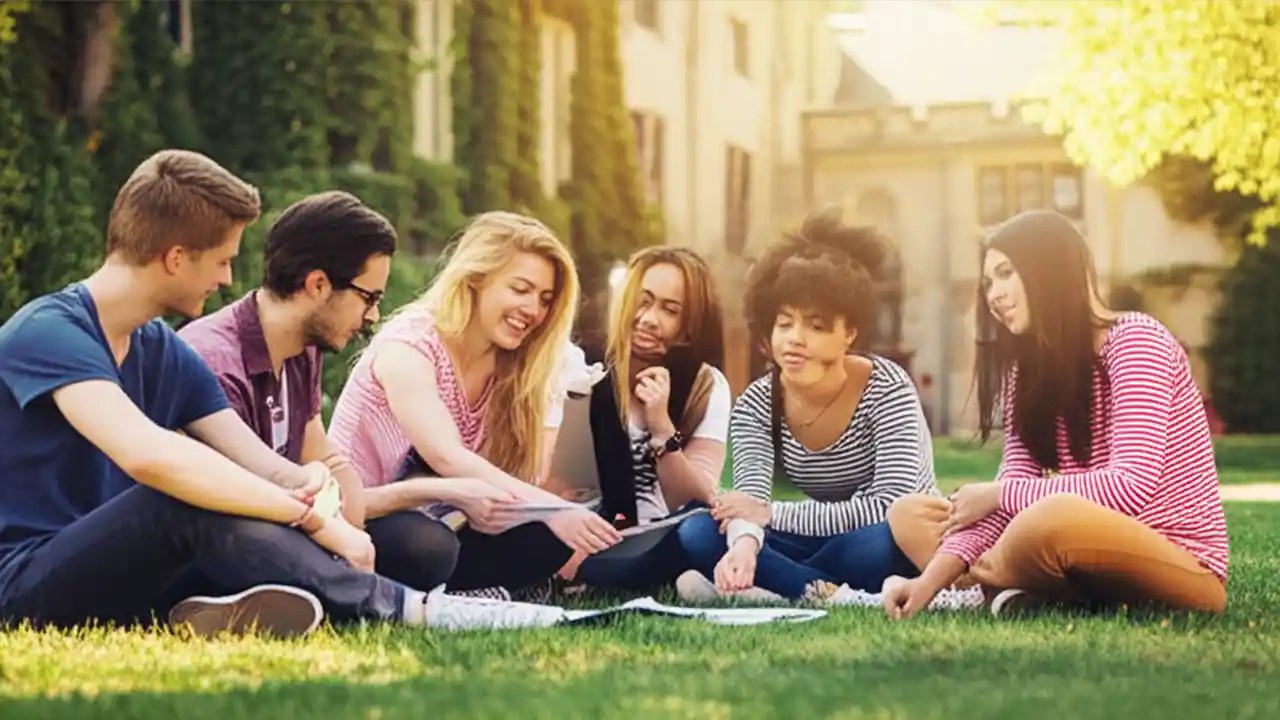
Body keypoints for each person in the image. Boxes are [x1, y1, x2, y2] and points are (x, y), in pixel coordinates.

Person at [0, 150, 481, 637]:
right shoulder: (49, 333)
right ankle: (408, 608)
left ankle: (221, 608)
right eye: (223, 260)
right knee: (178, 495)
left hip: (125, 575)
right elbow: (150, 458)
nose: (228, 278)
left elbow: (260, 464)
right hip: (27, 584)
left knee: (240, 506)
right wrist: (310, 519)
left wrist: (311, 485)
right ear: (175, 258)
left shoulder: (161, 348)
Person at [883, 209, 1229, 619]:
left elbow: (1129, 487)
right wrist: (926, 585)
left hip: (1180, 565)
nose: (994, 294)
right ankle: (1002, 590)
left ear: (1051, 270)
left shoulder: (1137, 341)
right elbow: (1010, 491)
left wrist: (998, 496)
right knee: (911, 514)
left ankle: (981, 587)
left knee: (1048, 519)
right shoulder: (1028, 376)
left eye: (1007, 273)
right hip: (1081, 557)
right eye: (988, 282)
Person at [328, 211, 622, 598]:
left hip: (447, 520)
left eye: (544, 299)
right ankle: (461, 591)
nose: (534, 310)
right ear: (476, 280)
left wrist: (557, 508)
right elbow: (447, 457)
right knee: (428, 547)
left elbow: (503, 480)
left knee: (548, 534)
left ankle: (461, 590)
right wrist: (552, 508)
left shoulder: (512, 365)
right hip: (365, 515)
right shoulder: (409, 346)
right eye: (521, 289)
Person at [178, 191, 460, 594]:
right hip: (238, 528)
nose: (373, 317)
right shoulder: (213, 359)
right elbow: (228, 498)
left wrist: (353, 535)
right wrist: (332, 537)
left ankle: (333, 586)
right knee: (261, 548)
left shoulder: (302, 349)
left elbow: (325, 456)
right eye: (369, 298)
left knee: (427, 546)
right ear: (317, 284)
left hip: (302, 520)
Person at [676, 207, 938, 600]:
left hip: (893, 534)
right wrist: (745, 545)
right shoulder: (755, 406)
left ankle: (773, 585)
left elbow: (889, 504)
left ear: (848, 332)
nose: (795, 339)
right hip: (818, 539)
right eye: (784, 324)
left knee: (877, 546)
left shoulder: (887, 387)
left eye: (815, 326)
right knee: (698, 531)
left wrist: (770, 514)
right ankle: (812, 590)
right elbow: (748, 501)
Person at [550, 247, 731, 591]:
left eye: (670, 310)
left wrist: (661, 424)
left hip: (659, 534)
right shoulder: (582, 369)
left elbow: (693, 499)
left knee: (702, 528)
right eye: (643, 301)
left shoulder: (704, 385)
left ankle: (609, 575)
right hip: (581, 524)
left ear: (690, 327)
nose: (649, 318)